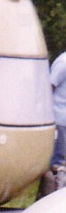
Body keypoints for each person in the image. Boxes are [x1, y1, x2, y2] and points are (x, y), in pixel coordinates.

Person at [45, 50, 66, 197]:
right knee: (58, 163)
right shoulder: (63, 62)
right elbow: (49, 86)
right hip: (59, 118)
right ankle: (52, 196)